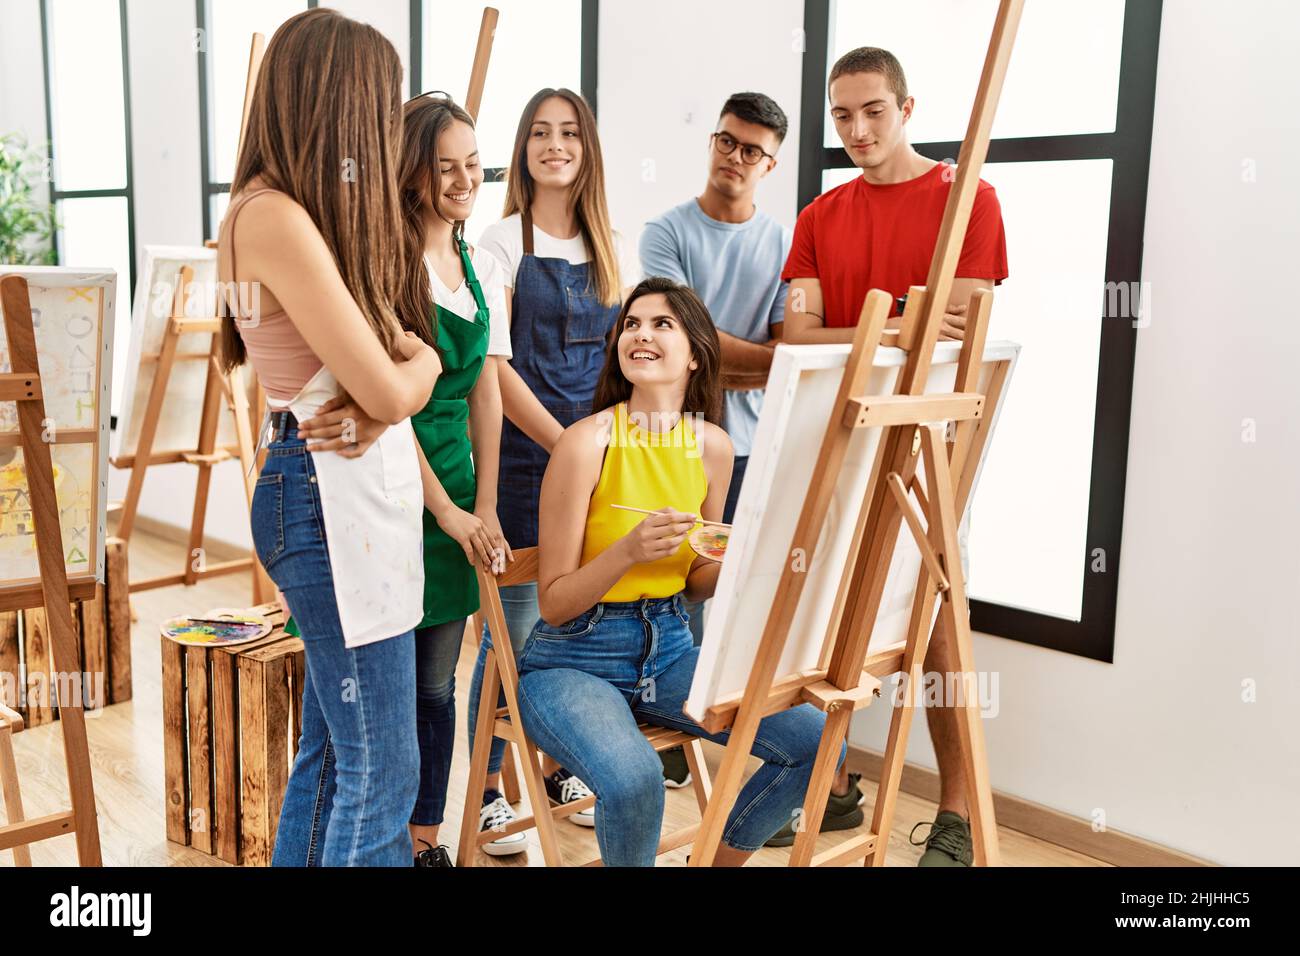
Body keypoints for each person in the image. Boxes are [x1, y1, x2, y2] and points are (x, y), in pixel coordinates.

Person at [216, 8, 442, 867]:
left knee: (333, 756)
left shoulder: (285, 213)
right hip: (320, 498)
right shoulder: (272, 217)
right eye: (379, 109)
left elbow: (388, 381)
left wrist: (397, 386)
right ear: (339, 103)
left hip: (323, 493)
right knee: (383, 771)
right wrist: (410, 376)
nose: (387, 133)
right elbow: (395, 378)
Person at [514, 276, 839, 866]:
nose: (641, 334)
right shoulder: (585, 445)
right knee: (636, 780)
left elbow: (696, 582)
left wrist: (744, 562)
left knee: (820, 745)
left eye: (663, 324)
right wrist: (626, 552)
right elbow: (556, 602)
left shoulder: (713, 447)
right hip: (571, 659)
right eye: (632, 324)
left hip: (669, 649)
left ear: (695, 353)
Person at [781, 46, 1009, 865]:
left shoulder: (969, 200)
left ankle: (953, 812)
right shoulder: (819, 216)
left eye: (873, 111)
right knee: (815, 611)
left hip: (929, 446)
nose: (857, 129)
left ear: (906, 109)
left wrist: (867, 333)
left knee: (938, 624)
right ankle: (832, 789)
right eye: (842, 116)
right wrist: (890, 328)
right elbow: (795, 338)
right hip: (837, 438)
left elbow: (962, 335)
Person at [466, 88, 642, 844]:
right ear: (523, 150)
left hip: (597, 466)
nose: (554, 145)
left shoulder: (611, 245)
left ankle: (555, 762)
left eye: (569, 132)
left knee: (574, 626)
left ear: (587, 148)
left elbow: (627, 357)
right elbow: (494, 368)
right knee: (510, 631)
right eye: (539, 133)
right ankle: (484, 790)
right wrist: (570, 449)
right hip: (521, 465)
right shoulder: (498, 241)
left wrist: (610, 453)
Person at [639, 90, 793, 791]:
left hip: (761, 442)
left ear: (772, 162)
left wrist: (727, 353)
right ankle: (672, 733)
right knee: (682, 578)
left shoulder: (784, 242)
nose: (736, 157)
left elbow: (779, 342)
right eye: (727, 141)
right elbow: (686, 342)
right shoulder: (665, 232)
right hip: (677, 439)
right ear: (713, 142)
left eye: (753, 150)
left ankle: (731, 727)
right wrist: (763, 356)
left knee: (744, 583)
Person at [389, 93, 514, 867]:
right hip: (397, 487)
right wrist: (442, 510)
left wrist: (485, 505)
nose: (465, 179)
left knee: (435, 686)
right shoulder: (385, 266)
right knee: (385, 691)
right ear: (413, 174)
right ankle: (374, 834)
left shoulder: (480, 265)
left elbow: (485, 393)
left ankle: (421, 842)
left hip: (459, 496)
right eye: (447, 167)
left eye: (473, 163)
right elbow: (388, 409)